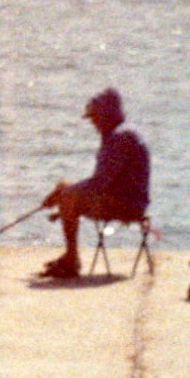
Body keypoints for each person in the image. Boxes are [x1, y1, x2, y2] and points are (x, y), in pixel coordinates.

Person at [39, 88, 150, 280]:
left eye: (95, 117)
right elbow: (102, 184)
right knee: (65, 189)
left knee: (67, 194)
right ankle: (70, 257)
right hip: (122, 199)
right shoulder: (118, 133)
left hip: (128, 206)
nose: (93, 123)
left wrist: (64, 196)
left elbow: (99, 184)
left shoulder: (120, 138)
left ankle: (72, 261)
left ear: (107, 114)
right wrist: (65, 191)